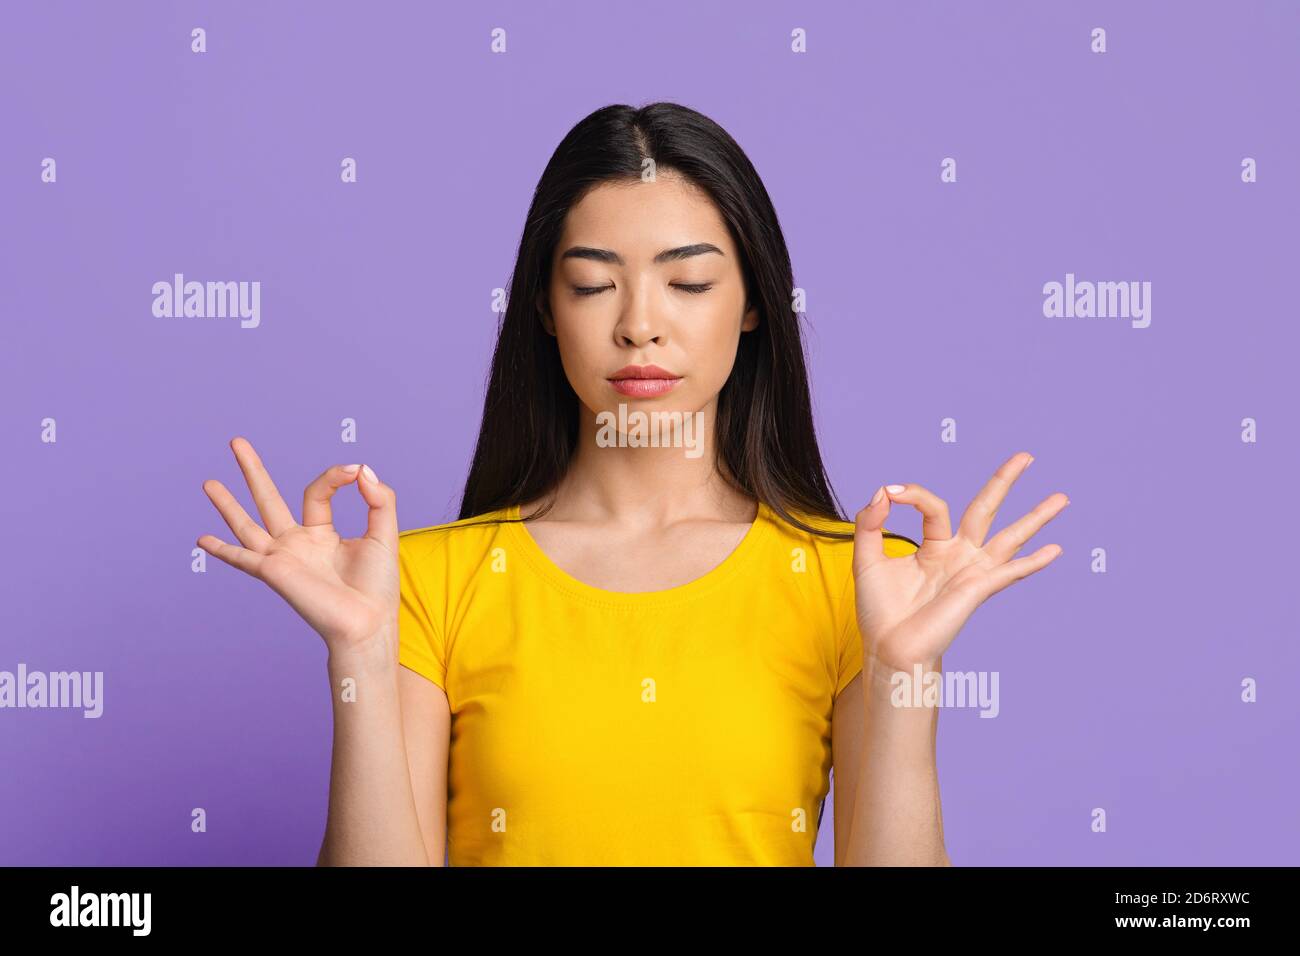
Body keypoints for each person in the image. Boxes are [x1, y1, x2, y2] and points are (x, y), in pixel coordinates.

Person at [196, 102, 1068, 866]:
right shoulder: (423, 585)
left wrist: (906, 675)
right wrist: (358, 654)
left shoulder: (858, 585)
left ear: (755, 302)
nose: (639, 326)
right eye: (592, 284)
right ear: (545, 306)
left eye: (687, 282)